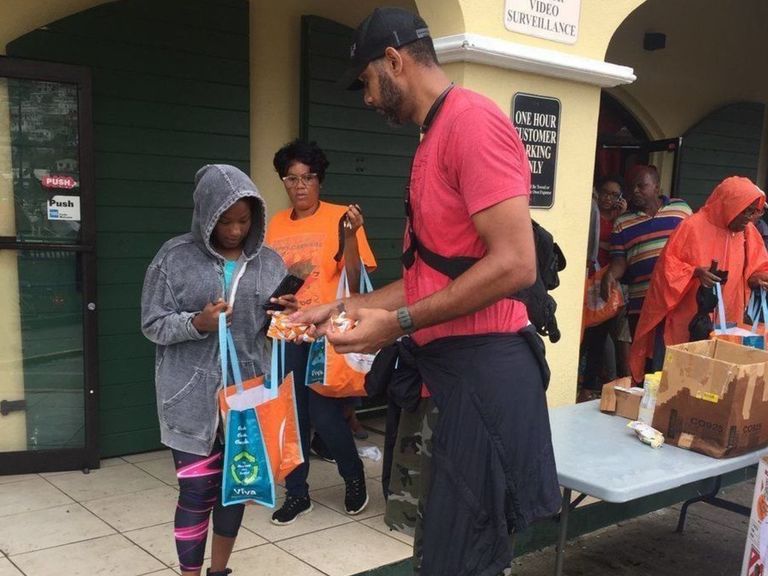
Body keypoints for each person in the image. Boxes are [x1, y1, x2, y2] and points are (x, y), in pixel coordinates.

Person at [292, 8, 560, 575]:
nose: (367, 98)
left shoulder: (472, 125)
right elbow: (428, 275)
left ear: (394, 60)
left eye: (367, 81)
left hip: (485, 380)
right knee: (438, 553)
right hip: (446, 377)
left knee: (469, 557)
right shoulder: (435, 132)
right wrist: (344, 306)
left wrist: (398, 323)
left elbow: (516, 265)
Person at [140, 164, 287, 576]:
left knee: (235, 491)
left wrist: (287, 317)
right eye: (225, 220)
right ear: (205, 214)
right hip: (188, 401)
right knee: (196, 491)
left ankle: (218, 571)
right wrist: (196, 323)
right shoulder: (173, 258)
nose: (236, 230)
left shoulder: (269, 264)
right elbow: (152, 324)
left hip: (247, 399)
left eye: (244, 220)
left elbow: (273, 332)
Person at [265, 139, 376, 525]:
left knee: (325, 417)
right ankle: (297, 494)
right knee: (290, 417)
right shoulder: (276, 224)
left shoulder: (341, 217)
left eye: (308, 177)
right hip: (285, 332)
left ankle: (353, 475)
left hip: (325, 333)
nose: (299, 186)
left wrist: (349, 236)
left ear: (320, 181)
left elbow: (355, 283)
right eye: (291, 178)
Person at [630, 176, 768, 382]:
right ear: (729, 205)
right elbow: (666, 270)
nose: (750, 217)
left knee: (716, 381)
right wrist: (695, 272)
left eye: (753, 211)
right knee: (679, 378)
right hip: (686, 322)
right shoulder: (692, 227)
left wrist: (758, 278)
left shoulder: (748, 232)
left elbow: (759, 266)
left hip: (727, 324)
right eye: (746, 210)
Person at [601, 166, 692, 337]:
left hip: (677, 300)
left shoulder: (681, 210)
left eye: (641, 186)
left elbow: (696, 248)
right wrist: (610, 276)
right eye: (632, 187)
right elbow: (620, 261)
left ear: (656, 187)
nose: (635, 191)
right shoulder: (623, 221)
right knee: (644, 360)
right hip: (641, 304)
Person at [580, 177, 630, 399]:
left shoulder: (619, 221)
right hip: (588, 280)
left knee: (604, 336)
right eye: (606, 193)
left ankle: (598, 382)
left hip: (607, 283)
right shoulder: (591, 214)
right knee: (587, 334)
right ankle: (585, 381)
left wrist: (622, 216)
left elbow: (622, 246)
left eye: (615, 195)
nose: (609, 198)